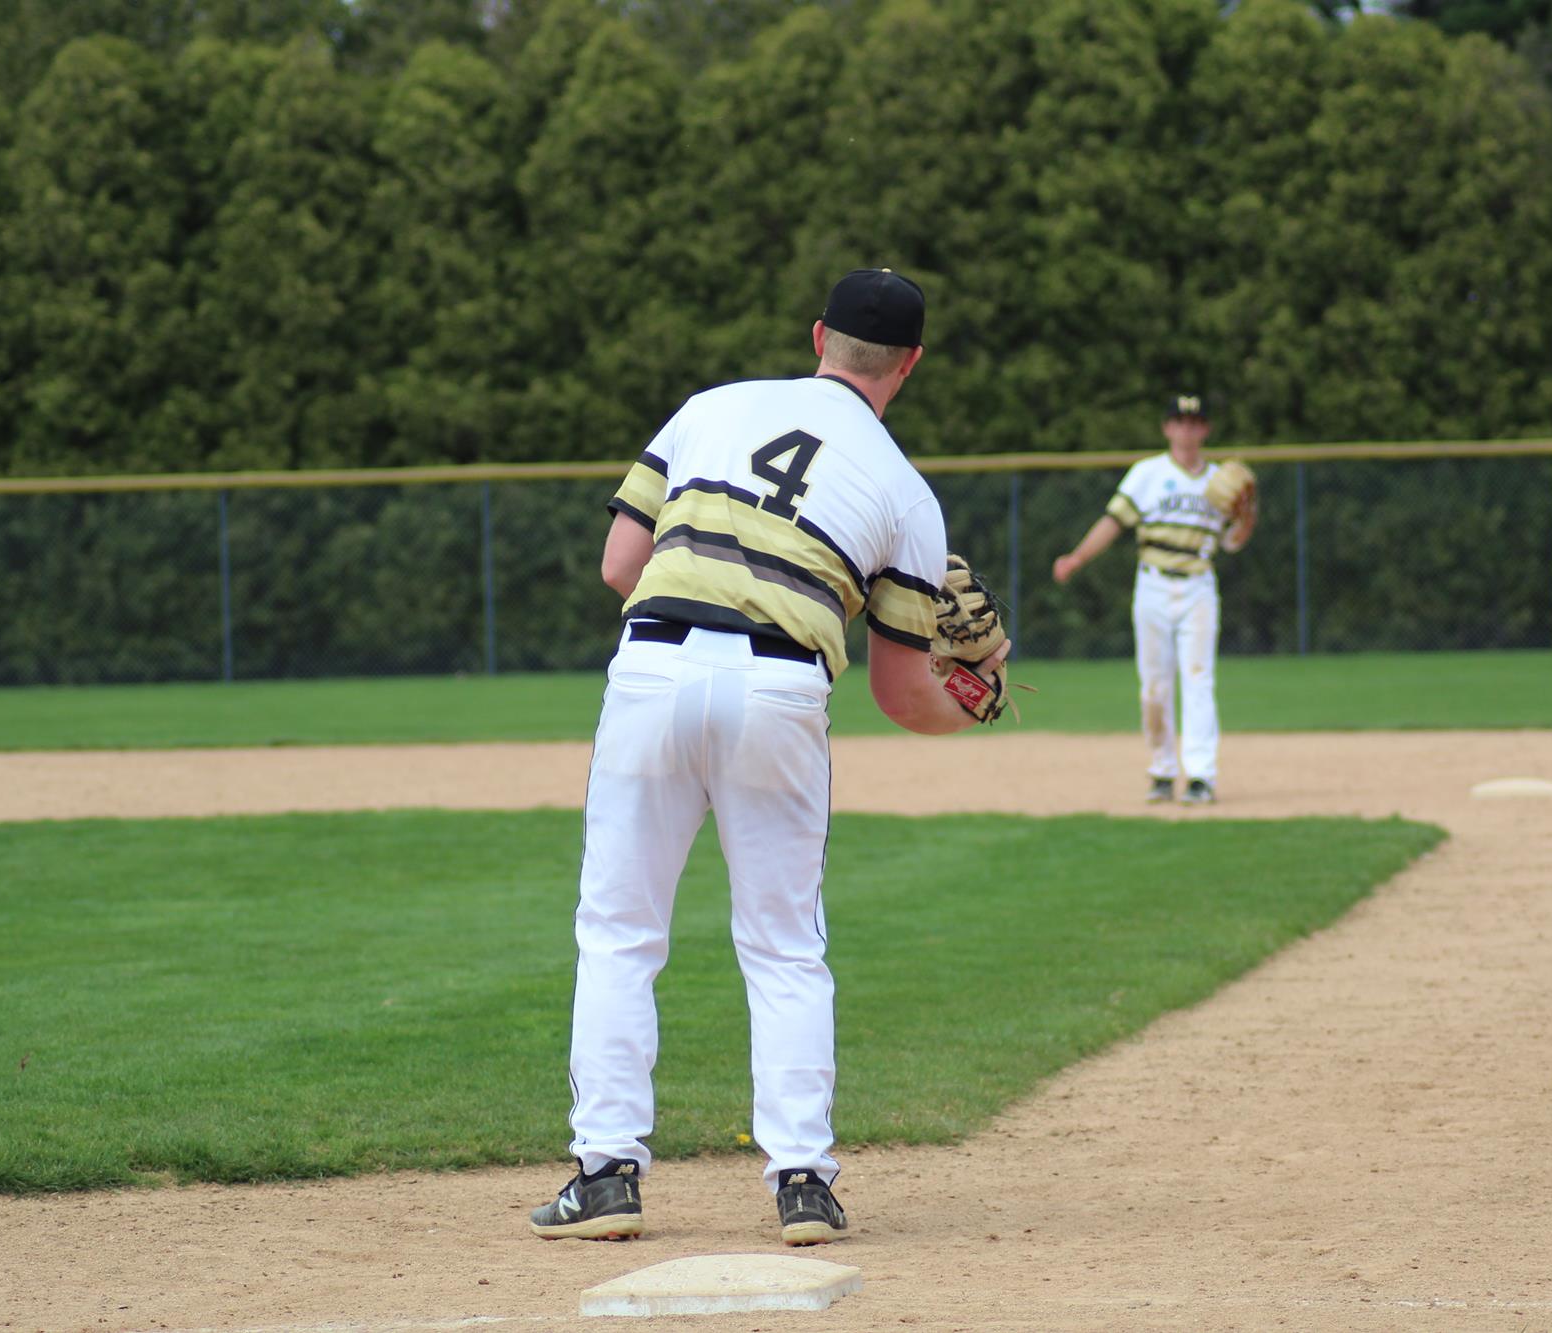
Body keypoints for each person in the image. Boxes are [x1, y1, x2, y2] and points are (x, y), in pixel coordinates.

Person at [530, 269, 1004, 1247]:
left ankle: (605, 1172)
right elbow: (898, 694)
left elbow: (620, 566)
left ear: (819, 334)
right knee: (784, 945)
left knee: (619, 930)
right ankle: (801, 1183)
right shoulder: (905, 492)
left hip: (653, 666)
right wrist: (971, 704)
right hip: (782, 685)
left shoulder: (711, 408)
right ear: (908, 364)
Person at [1051, 393, 1256, 804]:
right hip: (1153, 587)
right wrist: (1078, 557)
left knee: (1199, 679)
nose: (1187, 429)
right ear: (1167, 428)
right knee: (1154, 687)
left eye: (1195, 422)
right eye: (1180, 421)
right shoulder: (1147, 473)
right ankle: (1163, 769)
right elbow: (1113, 521)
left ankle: (1200, 775)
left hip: (1198, 586)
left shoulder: (1220, 483)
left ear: (1205, 430)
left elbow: (1235, 541)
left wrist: (1247, 512)